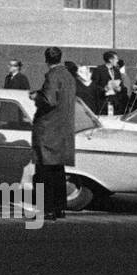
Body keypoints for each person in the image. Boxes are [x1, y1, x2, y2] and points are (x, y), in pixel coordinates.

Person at [32, 46, 76, 220]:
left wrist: (35, 96)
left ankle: (47, 209)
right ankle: (59, 208)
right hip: (63, 129)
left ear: (46, 59)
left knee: (44, 171)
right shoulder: (68, 76)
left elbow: (48, 100)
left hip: (48, 130)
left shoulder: (52, 75)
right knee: (58, 171)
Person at [90, 50, 126, 116]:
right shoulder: (99, 70)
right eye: (116, 59)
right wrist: (104, 89)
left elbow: (121, 84)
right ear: (110, 59)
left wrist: (120, 88)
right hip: (103, 101)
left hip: (115, 101)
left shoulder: (116, 70)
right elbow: (93, 85)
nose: (117, 60)